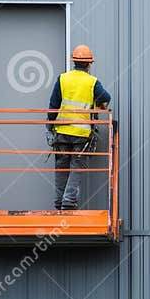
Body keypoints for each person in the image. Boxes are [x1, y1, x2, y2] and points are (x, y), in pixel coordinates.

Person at [46, 44, 111, 210]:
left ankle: (59, 202)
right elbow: (105, 97)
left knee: (61, 168)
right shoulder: (92, 82)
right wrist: (97, 105)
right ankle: (68, 202)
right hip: (81, 134)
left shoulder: (63, 79)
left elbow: (53, 105)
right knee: (76, 168)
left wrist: (49, 125)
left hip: (61, 131)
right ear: (89, 64)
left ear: (74, 62)